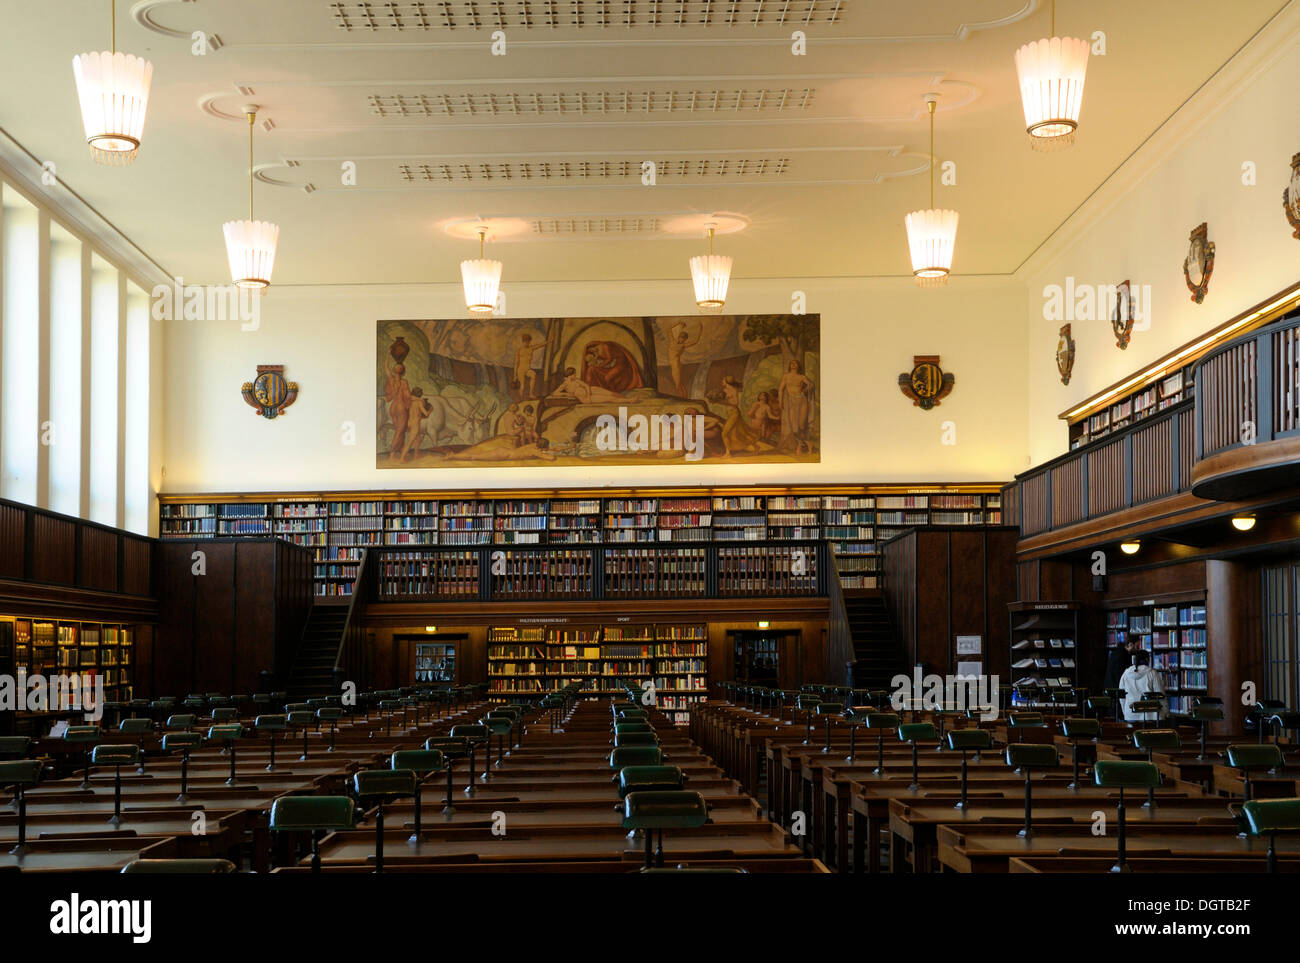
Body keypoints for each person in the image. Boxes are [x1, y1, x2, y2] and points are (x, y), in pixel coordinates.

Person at [1118, 649, 1166, 723]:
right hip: (1149, 715)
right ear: (1147, 659)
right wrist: (1165, 713)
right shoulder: (1152, 673)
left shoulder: (1126, 673)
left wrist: (1125, 712)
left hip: (1131, 714)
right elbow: (1160, 694)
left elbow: (1122, 696)